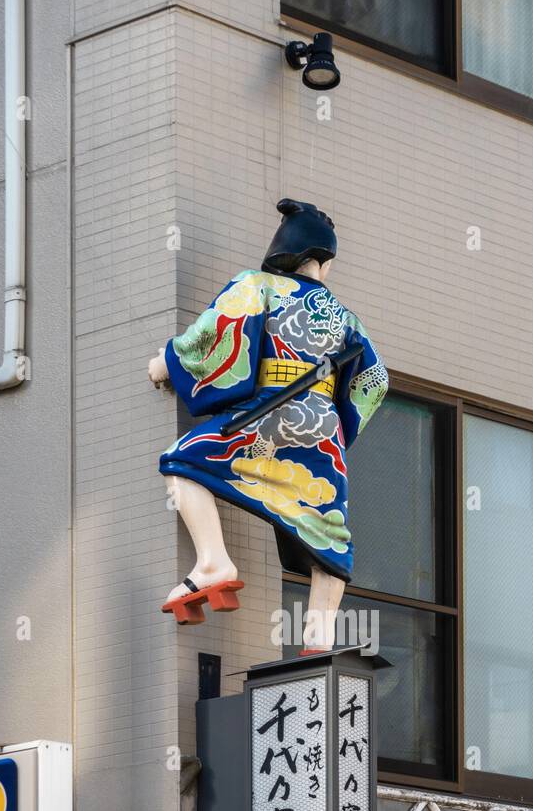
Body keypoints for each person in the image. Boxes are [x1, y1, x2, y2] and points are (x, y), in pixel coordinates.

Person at [148, 198, 388, 650]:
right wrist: (336, 429)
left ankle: (213, 563)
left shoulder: (259, 286)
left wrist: (165, 363)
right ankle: (320, 637)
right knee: (328, 531)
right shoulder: (348, 320)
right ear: (323, 260)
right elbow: (375, 381)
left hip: (269, 414)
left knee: (182, 462)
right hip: (322, 428)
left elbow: (211, 335)